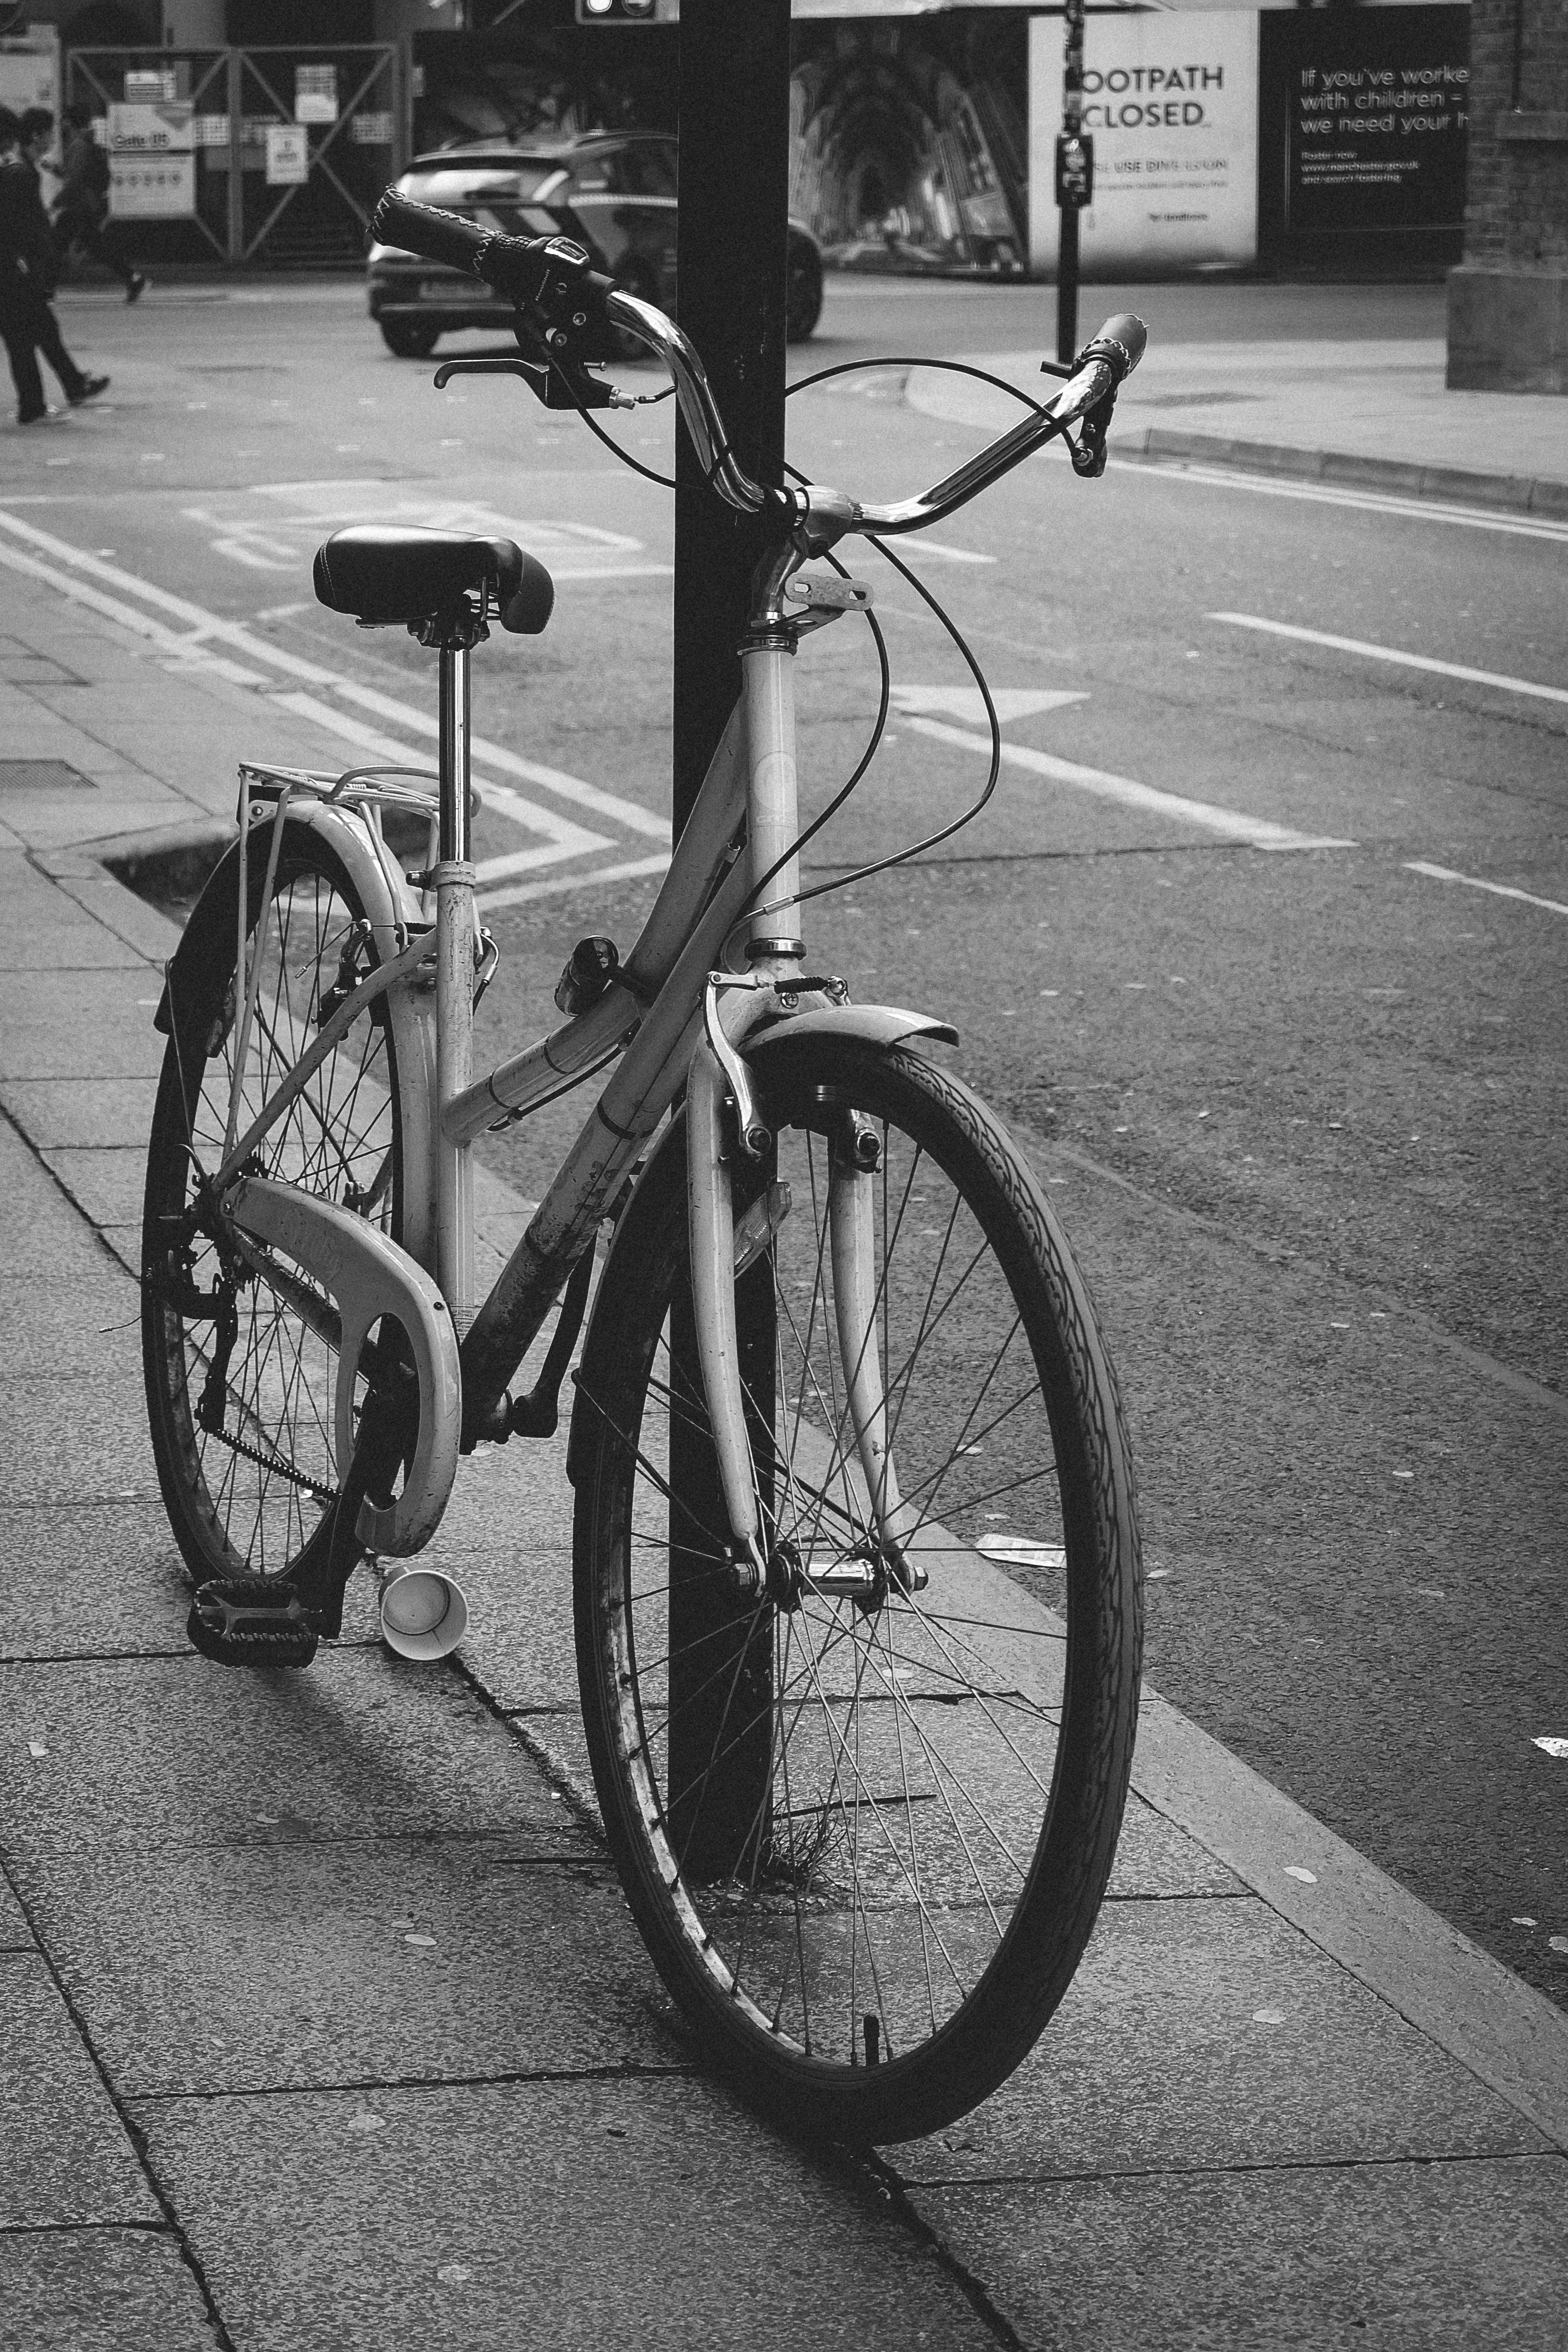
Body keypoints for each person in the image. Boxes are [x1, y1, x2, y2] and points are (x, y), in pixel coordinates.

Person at [0, 107, 109, 426]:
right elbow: (20, 226)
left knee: (41, 330)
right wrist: (31, 260)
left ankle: (69, 386)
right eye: (50, 132)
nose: (53, 138)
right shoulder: (17, 172)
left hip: (16, 266)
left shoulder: (17, 169)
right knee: (23, 336)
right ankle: (34, 405)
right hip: (15, 268)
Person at [52, 105, 146, 302]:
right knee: (96, 247)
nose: (60, 125)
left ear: (69, 122)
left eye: (63, 120)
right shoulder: (86, 143)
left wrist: (55, 203)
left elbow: (76, 180)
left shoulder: (79, 145)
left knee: (56, 244)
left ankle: (44, 289)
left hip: (81, 206)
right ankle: (133, 278)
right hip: (89, 205)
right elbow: (77, 175)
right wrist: (56, 170)